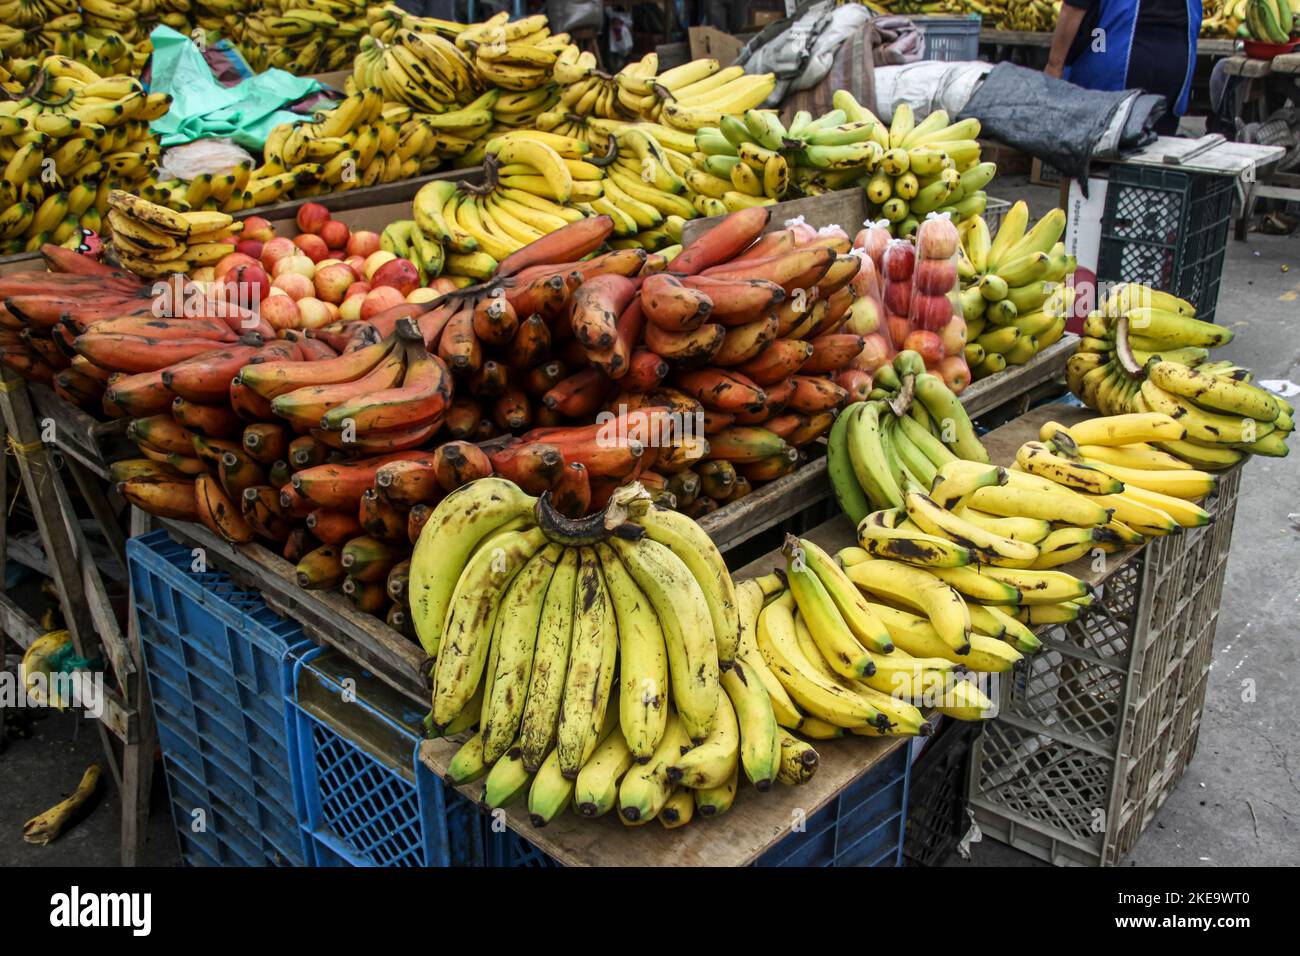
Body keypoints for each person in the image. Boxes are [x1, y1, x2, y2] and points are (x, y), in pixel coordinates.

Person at [1044, 0, 1203, 135]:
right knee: (1156, 150)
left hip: (1121, 61)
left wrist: (1054, 66)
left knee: (1097, 148)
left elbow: (1073, 7)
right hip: (1175, 63)